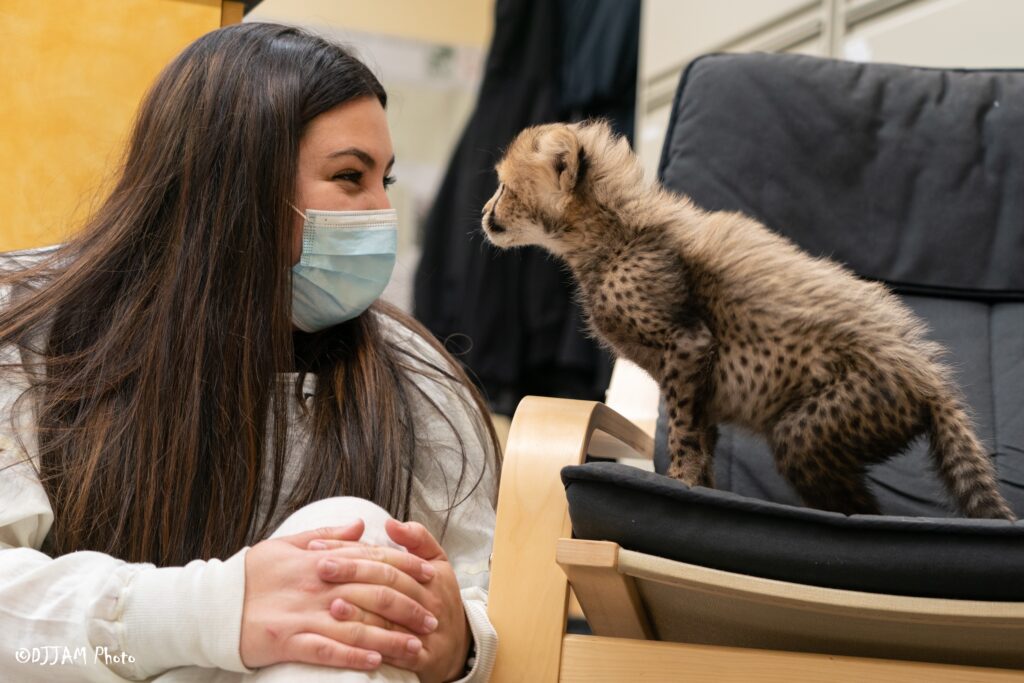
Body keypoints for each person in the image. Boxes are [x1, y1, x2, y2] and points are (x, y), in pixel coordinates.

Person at [0, 22, 501, 683]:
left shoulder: (412, 378)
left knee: (351, 533)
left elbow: (485, 596)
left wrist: (459, 644)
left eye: (386, 178)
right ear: (234, 188)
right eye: (350, 176)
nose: (383, 210)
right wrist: (213, 612)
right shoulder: (30, 325)